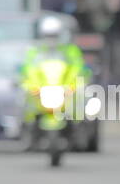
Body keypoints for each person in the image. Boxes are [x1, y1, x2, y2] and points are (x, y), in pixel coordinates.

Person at [21, 14, 86, 145]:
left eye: (54, 36)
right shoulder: (35, 52)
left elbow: (77, 69)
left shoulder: (69, 51)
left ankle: (78, 131)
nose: (51, 39)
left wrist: (73, 86)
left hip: (63, 89)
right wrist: (32, 86)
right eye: (48, 36)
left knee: (82, 102)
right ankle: (26, 131)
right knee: (25, 101)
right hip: (42, 90)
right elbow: (28, 70)